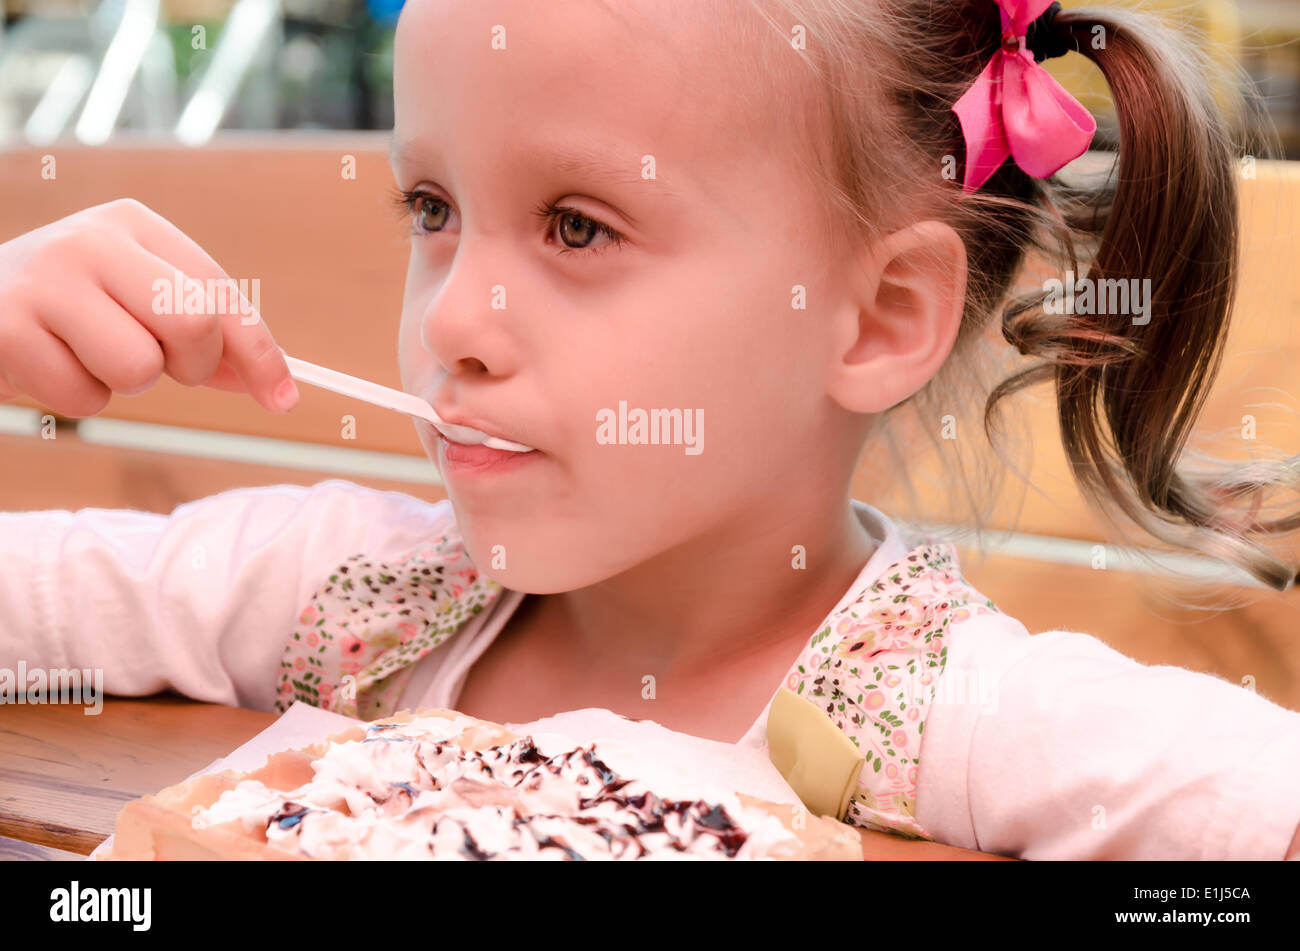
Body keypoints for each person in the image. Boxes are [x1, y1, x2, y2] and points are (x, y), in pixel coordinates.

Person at [2, 0, 1299, 859]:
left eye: (578, 226)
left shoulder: (946, 721)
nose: (455, 321)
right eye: (433, 210)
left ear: (877, 317)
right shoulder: (334, 590)